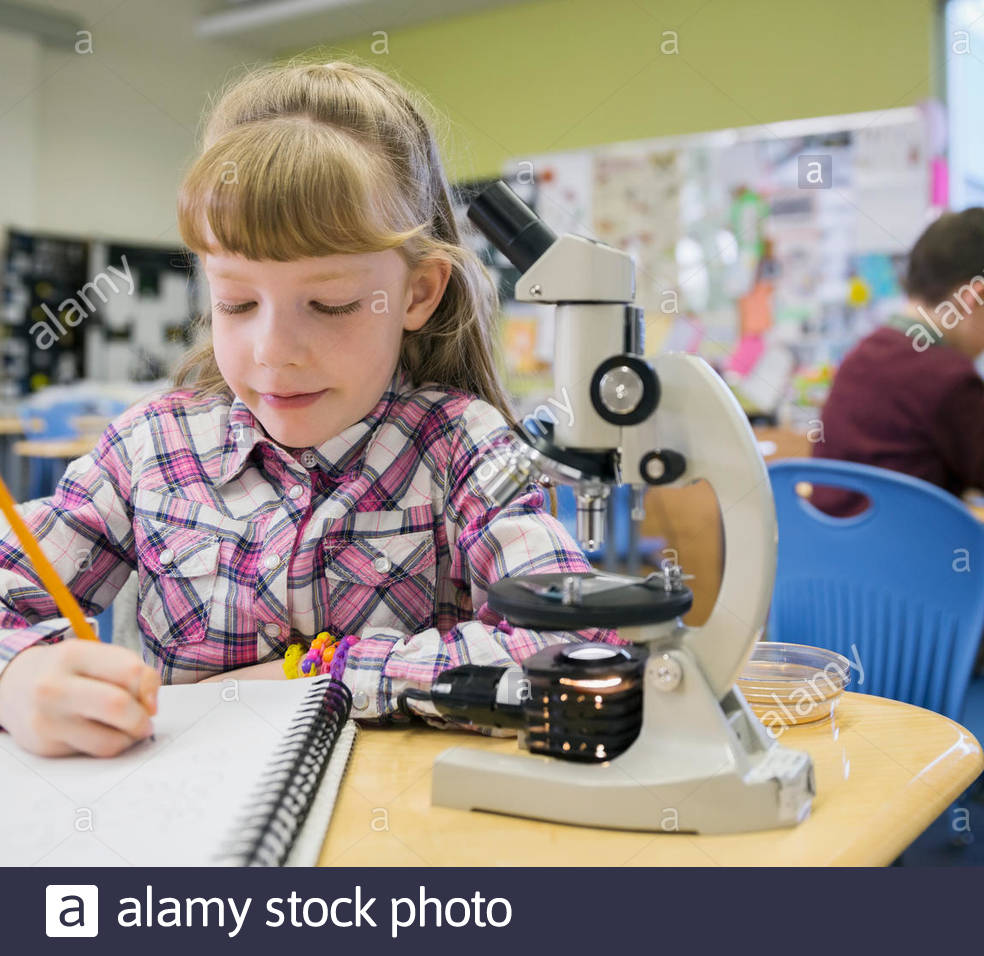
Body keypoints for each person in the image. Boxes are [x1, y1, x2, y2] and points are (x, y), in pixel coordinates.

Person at [0, 60, 611, 758]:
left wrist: (310, 674)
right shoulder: (151, 450)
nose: (274, 351)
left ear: (417, 293)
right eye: (236, 302)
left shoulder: (462, 450)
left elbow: (573, 645)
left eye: (330, 304)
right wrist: (19, 678)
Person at [812, 207, 984, 517]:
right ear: (977, 298)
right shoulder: (947, 374)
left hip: (836, 554)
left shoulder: (864, 353)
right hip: (908, 554)